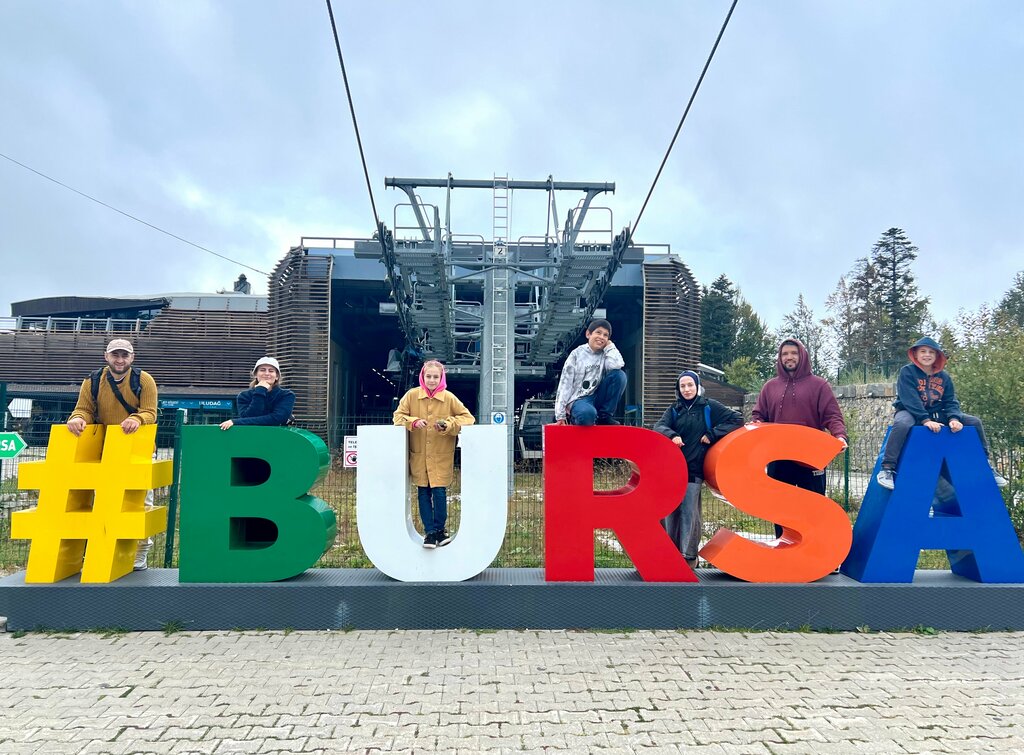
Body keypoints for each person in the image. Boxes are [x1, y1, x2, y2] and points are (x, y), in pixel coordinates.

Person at [66, 338, 159, 570]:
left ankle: (140, 552)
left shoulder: (144, 380)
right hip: (105, 451)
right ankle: (102, 548)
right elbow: (84, 409)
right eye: (115, 355)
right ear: (106, 356)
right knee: (103, 503)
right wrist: (76, 419)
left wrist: (136, 419)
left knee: (140, 504)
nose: (120, 360)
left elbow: (150, 412)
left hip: (137, 450)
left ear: (132, 358)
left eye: (125, 355)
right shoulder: (93, 380)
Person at [876, 336, 1008, 490]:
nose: (927, 355)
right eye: (923, 351)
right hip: (910, 411)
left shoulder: (944, 377)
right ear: (916, 355)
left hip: (937, 413)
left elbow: (951, 400)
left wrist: (954, 418)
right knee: (902, 423)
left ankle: (986, 466)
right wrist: (925, 420)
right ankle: (887, 469)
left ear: (937, 355)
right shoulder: (907, 372)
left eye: (931, 352)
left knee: (974, 422)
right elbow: (910, 399)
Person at [752, 338, 848, 539]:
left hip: (811, 460)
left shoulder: (819, 385)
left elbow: (832, 416)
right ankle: (784, 551)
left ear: (802, 355)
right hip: (779, 459)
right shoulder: (770, 387)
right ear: (780, 358)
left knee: (814, 510)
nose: (789, 357)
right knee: (780, 510)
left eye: (793, 353)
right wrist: (756, 429)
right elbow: (758, 416)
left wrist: (839, 436)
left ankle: (819, 556)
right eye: (785, 354)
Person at [654, 370, 743, 568]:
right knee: (670, 512)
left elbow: (737, 420)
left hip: (694, 470)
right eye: (683, 386)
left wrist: (713, 434)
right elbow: (659, 426)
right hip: (674, 470)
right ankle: (670, 552)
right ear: (678, 389)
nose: (687, 389)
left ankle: (688, 556)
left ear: (697, 386)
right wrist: (672, 434)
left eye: (690, 385)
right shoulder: (674, 409)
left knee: (689, 513)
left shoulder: (709, 407)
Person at [393, 360, 475, 549]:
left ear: (441, 378)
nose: (431, 380)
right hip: (420, 456)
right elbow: (398, 416)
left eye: (435, 377)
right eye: (428, 376)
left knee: (439, 492)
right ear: (422, 376)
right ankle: (429, 533)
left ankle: (440, 530)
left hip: (441, 456)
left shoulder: (449, 398)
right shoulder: (412, 396)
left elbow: (468, 418)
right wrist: (413, 422)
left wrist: (448, 424)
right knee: (423, 492)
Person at [553, 319, 627, 426]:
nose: (601, 337)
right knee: (587, 415)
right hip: (580, 400)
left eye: (605, 335)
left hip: (598, 396)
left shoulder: (606, 353)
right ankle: (578, 419)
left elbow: (616, 366)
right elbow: (565, 384)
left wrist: (610, 347)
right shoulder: (576, 355)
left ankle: (604, 416)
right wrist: (560, 415)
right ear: (588, 334)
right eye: (598, 332)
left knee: (620, 375)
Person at [219, 357, 295, 430]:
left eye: (271, 371)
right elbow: (249, 417)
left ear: (277, 376)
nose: (267, 373)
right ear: (255, 374)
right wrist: (260, 391)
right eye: (262, 370)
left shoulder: (286, 395)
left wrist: (236, 422)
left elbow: (277, 419)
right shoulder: (244, 396)